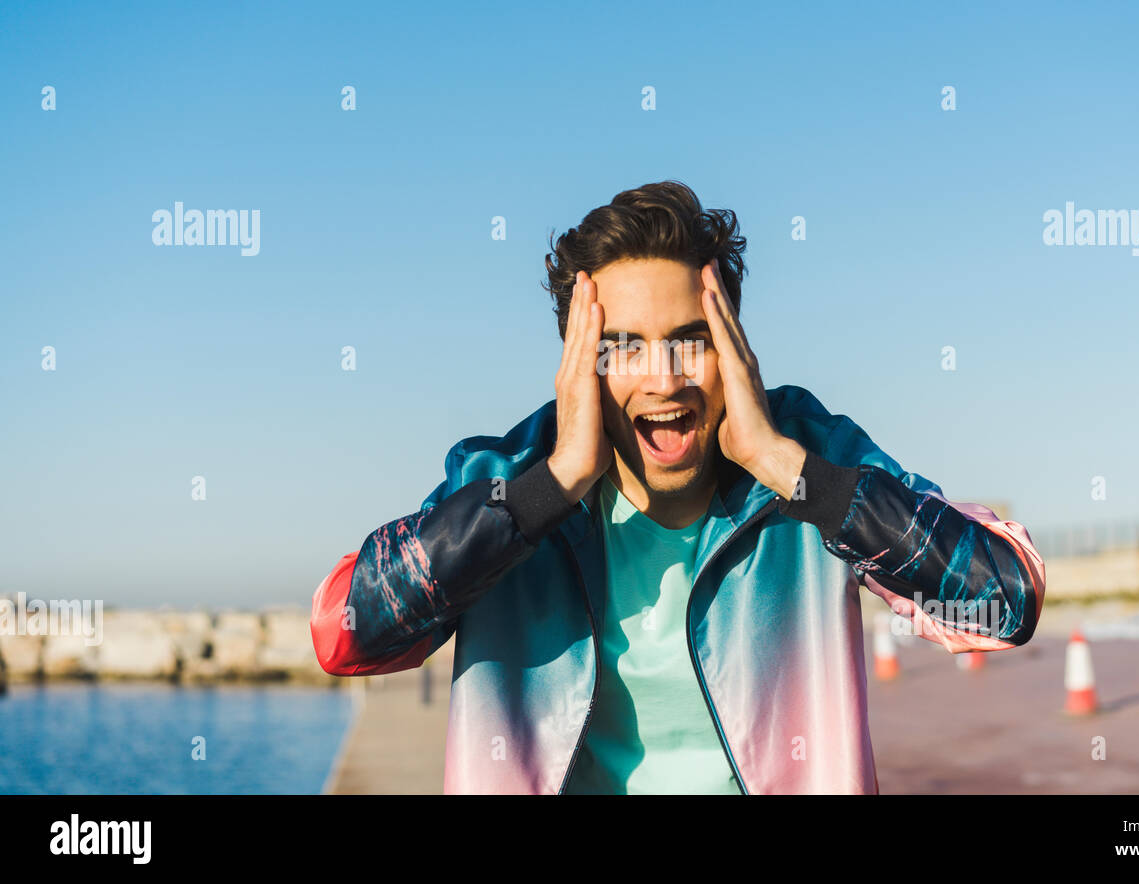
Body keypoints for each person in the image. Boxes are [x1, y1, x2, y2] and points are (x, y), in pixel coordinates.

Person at [309, 179, 1046, 794]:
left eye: (691, 340)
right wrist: (545, 493)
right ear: (579, 361)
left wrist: (791, 471)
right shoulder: (509, 480)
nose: (663, 380)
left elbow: (1001, 601)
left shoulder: (811, 457)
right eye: (624, 347)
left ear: (734, 344)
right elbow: (343, 633)